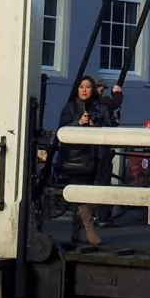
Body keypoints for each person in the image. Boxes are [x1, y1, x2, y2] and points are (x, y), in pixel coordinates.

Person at [56, 76, 109, 245]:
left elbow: (109, 127)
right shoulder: (69, 108)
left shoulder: (100, 108)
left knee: (87, 193)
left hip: (95, 157)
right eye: (81, 87)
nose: (84, 90)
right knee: (82, 194)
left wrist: (95, 125)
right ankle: (89, 229)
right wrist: (78, 123)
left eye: (88, 87)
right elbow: (62, 129)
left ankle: (77, 232)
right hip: (76, 158)